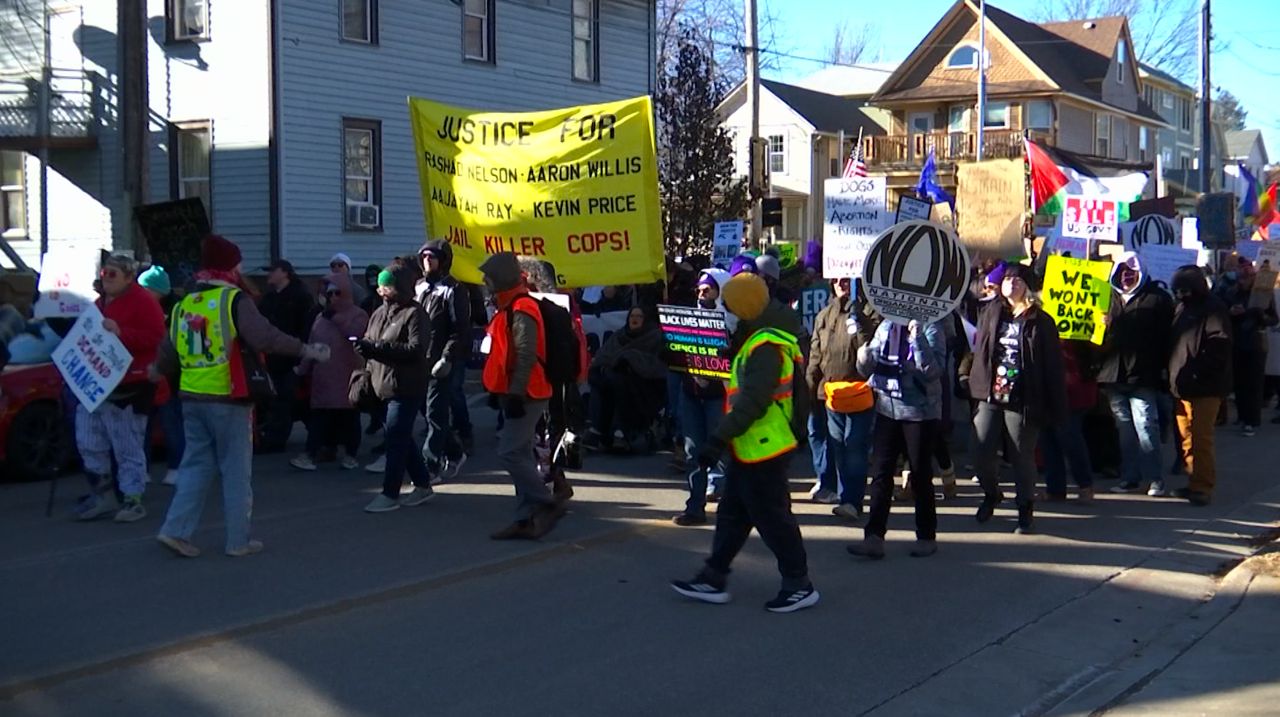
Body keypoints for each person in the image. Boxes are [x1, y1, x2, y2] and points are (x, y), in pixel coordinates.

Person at [156, 235, 331, 557]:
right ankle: (238, 540)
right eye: (236, 263)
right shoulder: (233, 300)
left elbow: (167, 353)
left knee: (195, 466)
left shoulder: (184, 303)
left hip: (192, 396)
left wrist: (152, 372)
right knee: (236, 471)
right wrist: (305, 348)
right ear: (228, 266)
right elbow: (265, 337)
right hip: (228, 396)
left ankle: (175, 530)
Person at [671, 273, 819, 614]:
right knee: (733, 514)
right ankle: (713, 577)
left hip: (767, 446)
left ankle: (799, 584)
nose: (725, 311)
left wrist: (718, 438)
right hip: (752, 445)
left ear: (746, 307)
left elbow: (753, 401)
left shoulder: (765, 347)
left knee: (772, 518)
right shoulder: (754, 339)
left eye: (729, 305)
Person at [964, 264, 1066, 534]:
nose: (1012, 283)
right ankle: (991, 493)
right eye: (1008, 278)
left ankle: (1025, 510)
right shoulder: (991, 312)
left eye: (1018, 279)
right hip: (989, 393)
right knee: (980, 449)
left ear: (1028, 287)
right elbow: (978, 349)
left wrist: (1054, 404)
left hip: (1023, 398)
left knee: (1022, 456)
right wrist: (967, 376)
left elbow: (1053, 365)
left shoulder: (1041, 322)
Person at [73, 254, 167, 522]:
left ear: (128, 277)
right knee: (88, 439)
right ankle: (102, 494)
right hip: (97, 384)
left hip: (132, 384)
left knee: (127, 444)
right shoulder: (101, 302)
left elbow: (156, 338)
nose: (107, 279)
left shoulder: (143, 302)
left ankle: (133, 499)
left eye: (113, 274)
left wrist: (121, 332)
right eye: (105, 274)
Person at [480, 252, 566, 539]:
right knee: (519, 454)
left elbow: (527, 355)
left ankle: (546, 501)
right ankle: (524, 519)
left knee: (508, 453)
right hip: (519, 390)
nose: (485, 282)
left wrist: (515, 394)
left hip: (529, 391)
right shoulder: (509, 305)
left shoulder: (522, 307)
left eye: (489, 277)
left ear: (501, 278)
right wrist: (500, 391)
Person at [846, 315, 946, 559]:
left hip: (919, 412)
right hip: (887, 408)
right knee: (881, 474)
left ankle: (926, 535)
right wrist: (864, 354)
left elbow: (933, 371)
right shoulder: (887, 325)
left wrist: (917, 338)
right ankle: (874, 537)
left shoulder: (931, 327)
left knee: (920, 475)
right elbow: (867, 369)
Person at [355, 264, 434, 513]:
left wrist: (376, 348)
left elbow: (416, 349)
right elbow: (371, 339)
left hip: (406, 386)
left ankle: (390, 493)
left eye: (386, 285)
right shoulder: (378, 312)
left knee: (396, 439)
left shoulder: (414, 313)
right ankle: (423, 484)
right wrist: (363, 347)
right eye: (380, 286)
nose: (381, 290)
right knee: (400, 437)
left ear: (399, 286)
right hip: (380, 384)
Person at [1099, 253, 1174, 495]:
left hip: (1143, 374)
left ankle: (1155, 478)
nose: (1126, 277)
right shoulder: (1106, 297)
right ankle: (1130, 477)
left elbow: (1167, 338)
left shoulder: (1157, 299)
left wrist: (1163, 369)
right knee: (1124, 429)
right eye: (1121, 272)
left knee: (1145, 426)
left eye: (1131, 273)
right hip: (1113, 374)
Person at [807, 276, 878, 522]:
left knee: (855, 445)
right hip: (831, 393)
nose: (841, 283)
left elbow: (870, 351)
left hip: (860, 390)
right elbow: (816, 355)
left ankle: (853, 501)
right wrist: (811, 389)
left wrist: (860, 322)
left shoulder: (869, 311)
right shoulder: (825, 315)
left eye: (846, 279)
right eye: (836, 279)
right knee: (838, 446)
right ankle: (844, 494)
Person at [1168, 265, 1233, 506]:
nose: (1181, 295)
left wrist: (1198, 372)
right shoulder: (1182, 308)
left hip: (1207, 386)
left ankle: (1203, 486)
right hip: (1181, 385)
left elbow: (1220, 344)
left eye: (1185, 291)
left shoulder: (1214, 309)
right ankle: (1193, 480)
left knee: (1201, 437)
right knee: (1185, 437)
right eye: (1178, 291)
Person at [291, 272, 369, 471]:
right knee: (319, 419)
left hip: (347, 376)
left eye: (336, 293)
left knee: (350, 419)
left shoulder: (357, 314)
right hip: (323, 379)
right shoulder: (320, 317)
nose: (332, 297)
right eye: (329, 293)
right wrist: (302, 368)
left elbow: (356, 335)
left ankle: (351, 454)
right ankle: (311, 453)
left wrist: (337, 319)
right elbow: (312, 345)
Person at [672, 268, 732, 526]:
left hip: (718, 396)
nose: (701, 293)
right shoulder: (688, 319)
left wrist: (714, 373)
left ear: (720, 290)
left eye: (707, 289)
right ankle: (695, 506)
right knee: (693, 451)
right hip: (691, 393)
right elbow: (674, 353)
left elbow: (733, 360)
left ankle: (730, 505)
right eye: (698, 289)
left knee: (718, 449)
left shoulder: (732, 322)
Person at [416, 240, 473, 482]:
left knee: (436, 413)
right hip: (418, 360)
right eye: (425, 256)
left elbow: (459, 329)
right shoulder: (418, 288)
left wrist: (448, 357)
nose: (428, 260)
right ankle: (455, 451)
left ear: (444, 260)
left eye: (433, 256)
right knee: (426, 411)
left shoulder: (454, 290)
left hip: (441, 360)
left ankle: (430, 467)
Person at [586, 306, 668, 452]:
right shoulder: (619, 336)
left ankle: (620, 431)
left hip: (643, 384)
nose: (635, 319)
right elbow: (603, 356)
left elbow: (656, 365)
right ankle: (597, 429)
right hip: (613, 379)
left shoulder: (654, 337)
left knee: (620, 384)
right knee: (600, 381)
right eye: (632, 316)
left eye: (639, 316)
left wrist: (631, 359)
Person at [255, 259, 316, 453]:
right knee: (282, 400)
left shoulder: (301, 296)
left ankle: (276, 439)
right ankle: (320, 434)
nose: (269, 275)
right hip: (272, 357)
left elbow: (307, 327)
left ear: (285, 273)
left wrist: (304, 353)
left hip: (292, 357)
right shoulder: (269, 298)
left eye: (273, 271)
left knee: (286, 399)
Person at [1219, 258, 1277, 437]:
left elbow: (1273, 318)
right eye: (1242, 276)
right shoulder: (1230, 293)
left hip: (1255, 343)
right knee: (1239, 382)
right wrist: (1231, 313)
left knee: (1253, 383)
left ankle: (1252, 419)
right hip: (1236, 341)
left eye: (1248, 276)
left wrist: (1258, 314)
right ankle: (1243, 415)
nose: (1244, 280)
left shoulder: (1263, 295)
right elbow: (1222, 314)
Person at [139, 264, 184, 485]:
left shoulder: (175, 310)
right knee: (143, 426)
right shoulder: (146, 307)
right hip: (146, 376)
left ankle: (176, 466)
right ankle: (143, 468)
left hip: (169, 378)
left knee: (171, 425)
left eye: (145, 288)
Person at [1041, 337, 1098, 503]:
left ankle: (1085, 485)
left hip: (1075, 386)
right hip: (1048, 387)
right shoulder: (1041, 319)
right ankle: (1055, 489)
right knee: (1048, 438)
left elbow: (1101, 350)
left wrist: (1102, 328)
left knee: (1069, 436)